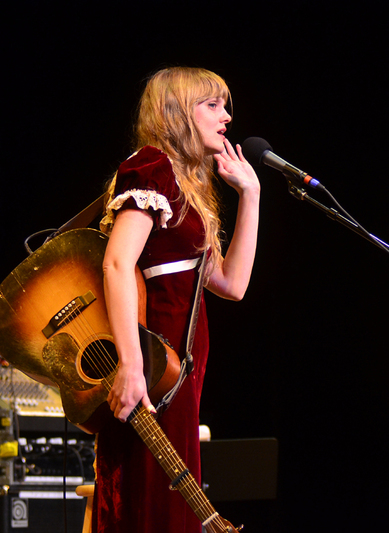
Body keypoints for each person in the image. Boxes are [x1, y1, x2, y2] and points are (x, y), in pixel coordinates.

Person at [96, 67, 260, 533]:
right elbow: (116, 263)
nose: (226, 117)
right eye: (212, 105)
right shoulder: (152, 167)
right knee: (149, 509)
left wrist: (251, 194)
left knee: (172, 511)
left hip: (182, 372)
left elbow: (232, 283)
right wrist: (130, 365)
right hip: (152, 366)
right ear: (175, 112)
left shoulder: (187, 185)